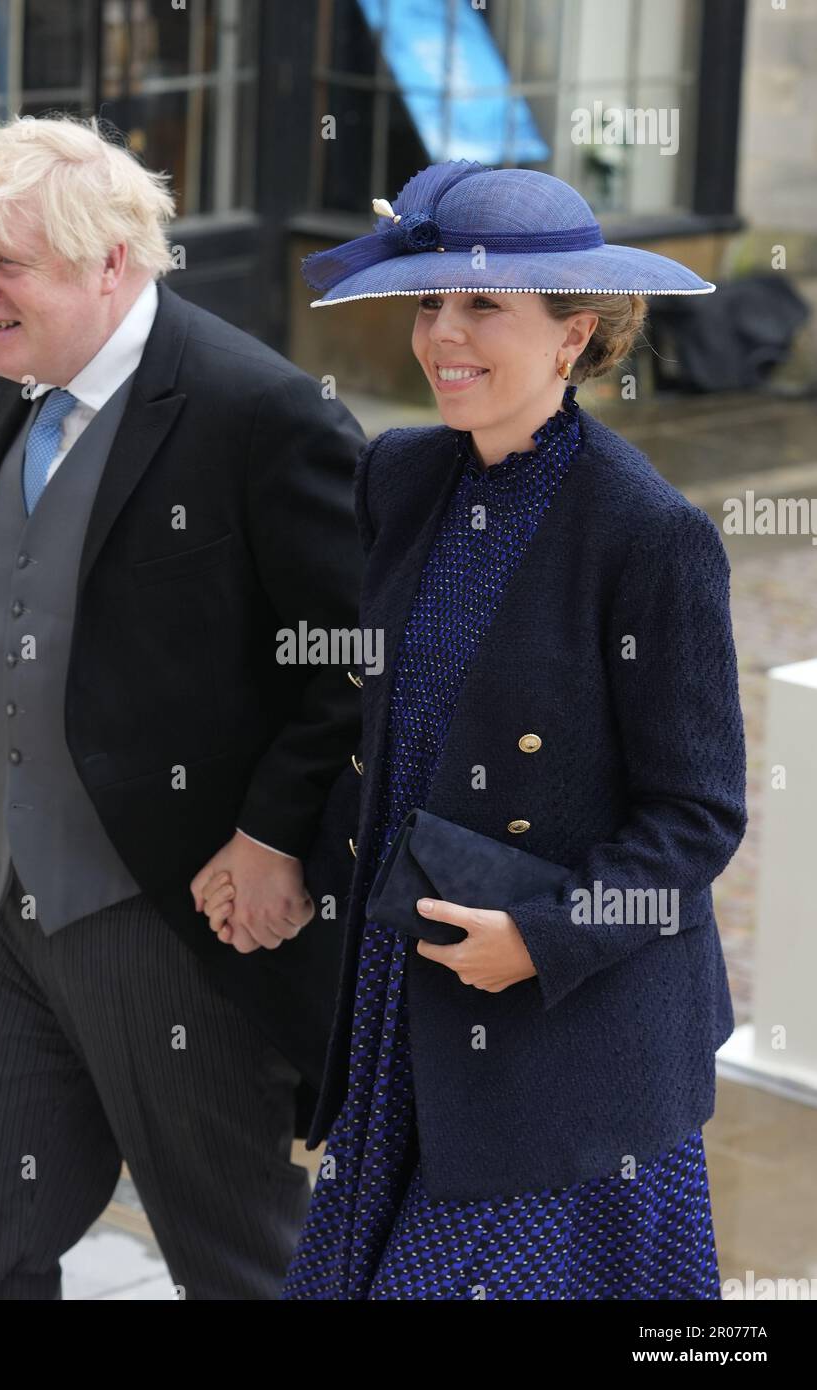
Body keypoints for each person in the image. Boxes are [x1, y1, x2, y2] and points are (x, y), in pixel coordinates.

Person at [206, 162, 747, 1300]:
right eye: (427, 302)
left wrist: (540, 936)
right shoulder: (399, 476)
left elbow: (694, 817)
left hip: (567, 1035)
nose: (441, 334)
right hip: (404, 1002)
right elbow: (387, 728)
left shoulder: (649, 535)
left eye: (482, 307)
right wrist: (294, 852)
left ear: (571, 336)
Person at [0, 113, 365, 1301]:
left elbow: (357, 656)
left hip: (174, 924)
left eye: (6, 263)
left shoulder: (262, 413)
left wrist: (273, 835)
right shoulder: (21, 388)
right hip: (7, 901)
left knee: (244, 1268)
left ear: (109, 261)